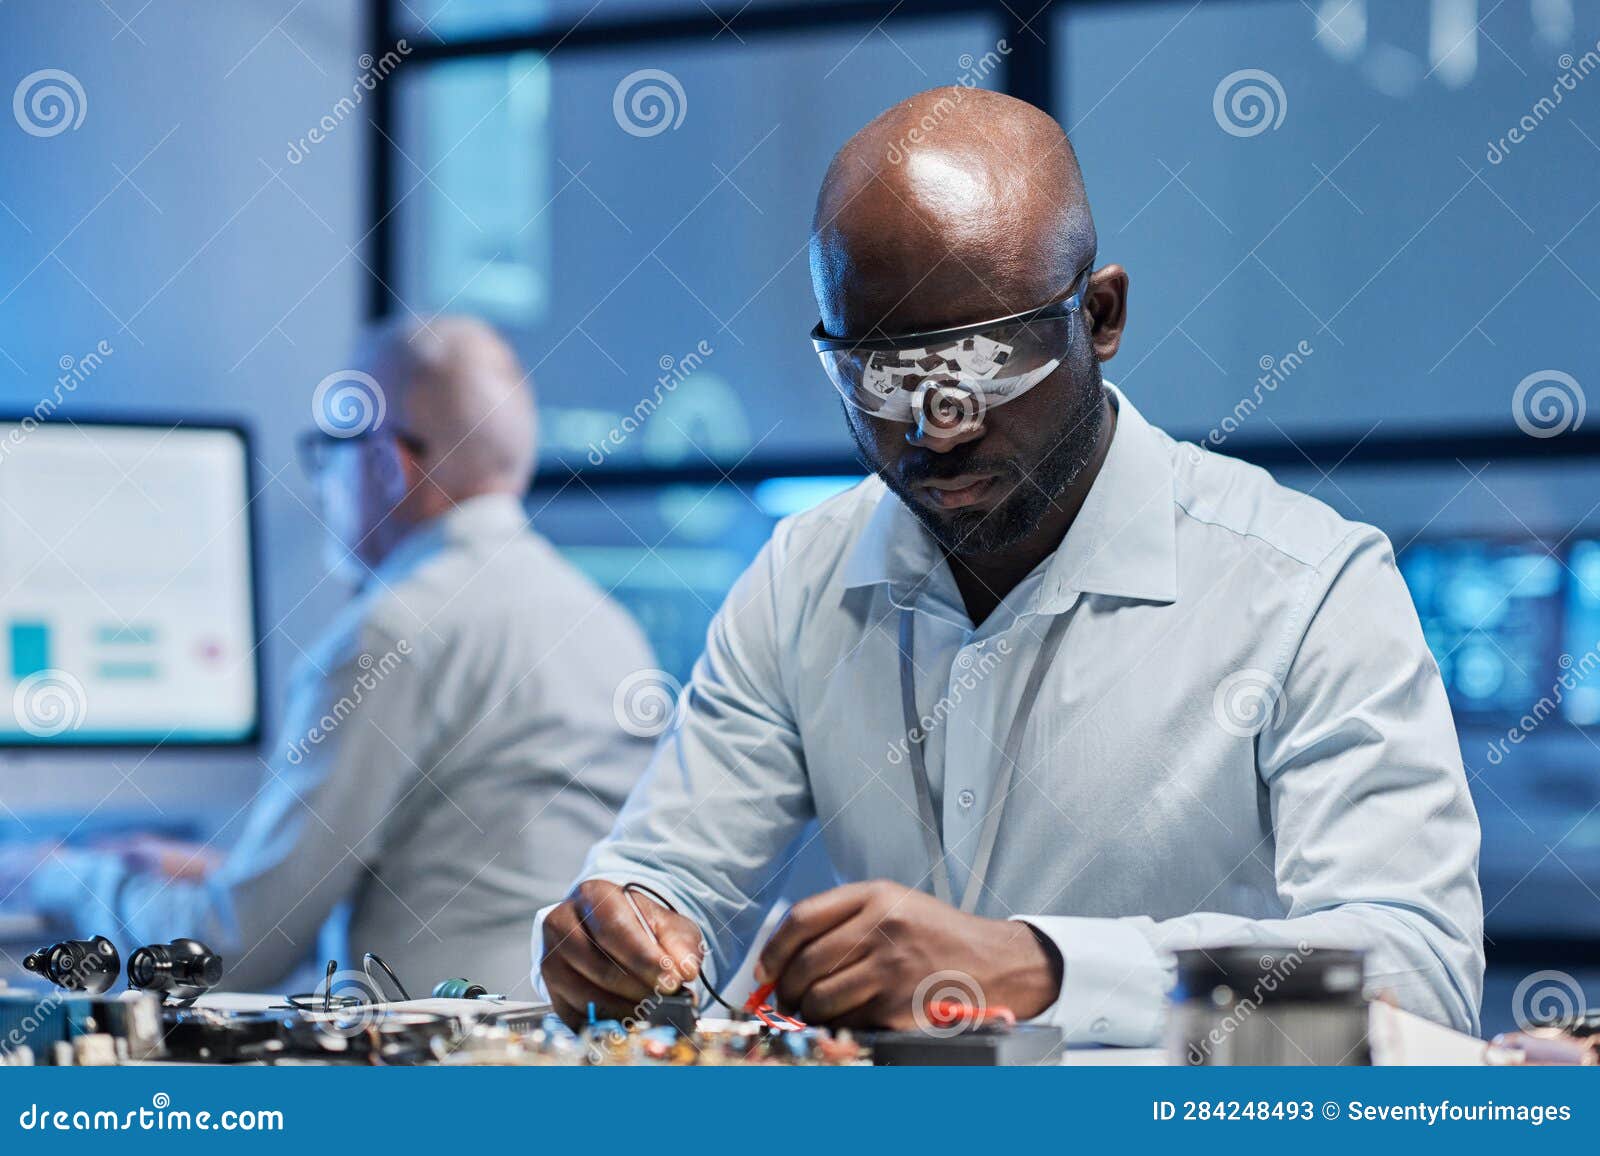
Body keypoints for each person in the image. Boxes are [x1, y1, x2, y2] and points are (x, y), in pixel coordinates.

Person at [535, 89, 1483, 1043]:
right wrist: (622, 934)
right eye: (886, 375)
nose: (941, 425)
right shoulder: (802, 580)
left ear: (1100, 316)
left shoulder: (1305, 586)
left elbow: (1419, 972)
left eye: (988, 360)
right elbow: (670, 876)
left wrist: (1042, 969)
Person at [14, 316, 657, 997]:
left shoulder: (390, 632)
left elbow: (232, 950)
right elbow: (472, 864)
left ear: (386, 464)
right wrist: (233, 873)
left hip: (431, 1067)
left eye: (330, 450)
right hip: (576, 1047)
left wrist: (59, 875)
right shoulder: (607, 626)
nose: (323, 484)